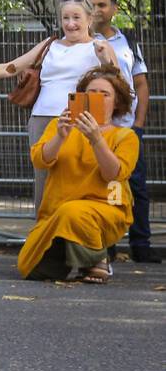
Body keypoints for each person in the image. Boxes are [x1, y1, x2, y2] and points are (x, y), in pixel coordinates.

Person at [0, 0, 115, 209]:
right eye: (65, 18)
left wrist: (104, 58)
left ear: (89, 19)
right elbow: (12, 67)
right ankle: (44, 232)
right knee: (44, 177)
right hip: (42, 119)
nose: (70, 23)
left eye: (76, 17)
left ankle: (76, 232)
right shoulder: (50, 45)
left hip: (80, 119)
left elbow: (117, 79)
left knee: (78, 175)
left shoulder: (99, 46)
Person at [19, 66, 138, 283]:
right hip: (57, 211)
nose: (97, 99)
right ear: (81, 97)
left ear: (117, 102)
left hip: (107, 209)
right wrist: (60, 137)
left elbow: (113, 174)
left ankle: (97, 260)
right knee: (29, 267)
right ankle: (71, 259)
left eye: (105, 95)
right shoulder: (58, 125)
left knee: (73, 212)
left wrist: (96, 139)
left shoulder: (125, 136)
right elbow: (39, 160)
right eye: (91, 94)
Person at [88, 0, 157, 262]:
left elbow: (140, 84)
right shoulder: (82, 40)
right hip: (97, 128)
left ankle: (141, 244)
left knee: (136, 186)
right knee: (106, 184)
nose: (97, 9)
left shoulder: (129, 41)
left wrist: (138, 124)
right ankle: (109, 243)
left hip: (127, 129)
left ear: (114, 8)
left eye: (103, 4)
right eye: (92, 5)